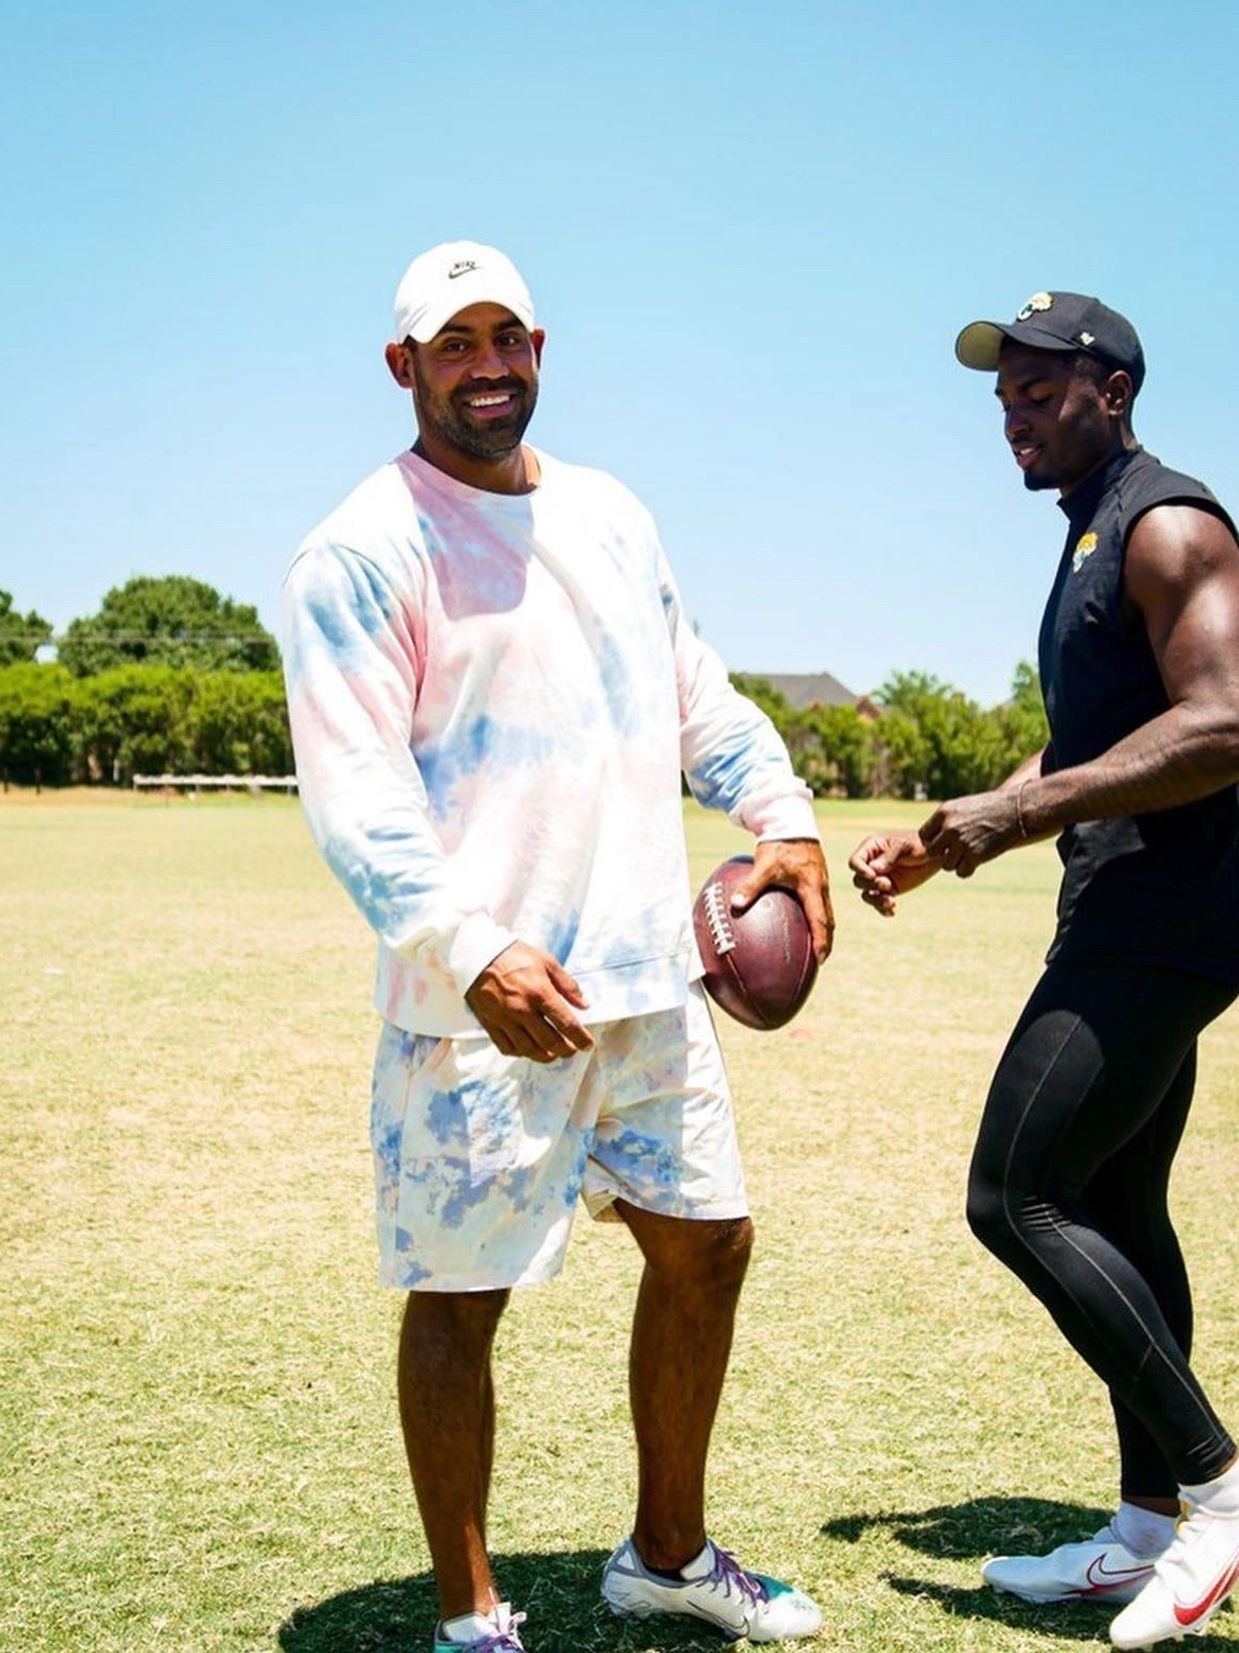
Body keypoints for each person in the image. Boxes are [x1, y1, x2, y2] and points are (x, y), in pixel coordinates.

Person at [280, 240, 832, 1653]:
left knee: (709, 1245)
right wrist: (468, 947)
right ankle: (471, 1616)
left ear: (541, 349)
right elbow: (356, 794)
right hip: (478, 1005)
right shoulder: (361, 548)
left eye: (507, 338)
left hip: (645, 984)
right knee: (459, 1299)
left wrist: (784, 810)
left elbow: (692, 690)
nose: (487, 365)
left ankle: (666, 1554)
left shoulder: (610, 517)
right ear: (403, 367)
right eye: (454, 343)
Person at [849, 291, 1239, 1650]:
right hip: (1132, 898)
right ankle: (1145, 1527)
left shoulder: (1169, 523)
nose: (1011, 414)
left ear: (1112, 390)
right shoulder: (1090, 534)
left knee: (1013, 1193)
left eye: (1038, 390)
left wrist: (1021, 816)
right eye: (1002, 395)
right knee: (1120, 1200)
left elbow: (1225, 719)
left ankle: (1219, 1487)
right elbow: (1089, 743)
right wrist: (958, 833)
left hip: (1168, 910)